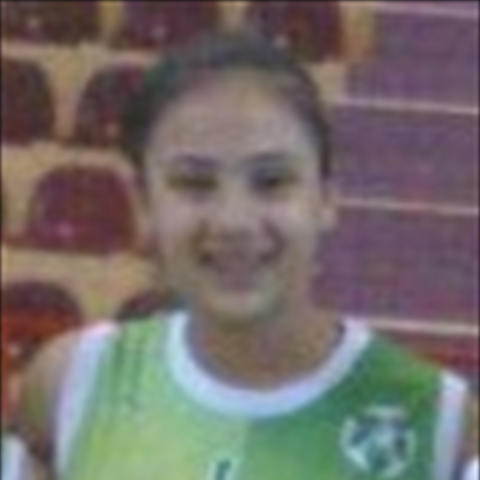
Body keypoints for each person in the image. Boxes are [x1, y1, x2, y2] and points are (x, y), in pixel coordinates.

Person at [15, 31, 478, 480]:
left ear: (326, 197)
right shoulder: (73, 383)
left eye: (272, 181)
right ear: (146, 205)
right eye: (194, 183)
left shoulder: (438, 421)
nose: (234, 222)